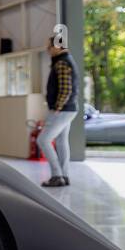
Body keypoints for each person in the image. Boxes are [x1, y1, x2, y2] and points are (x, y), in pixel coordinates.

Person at [37, 33, 78, 187]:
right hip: (69, 109)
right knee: (61, 142)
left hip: (62, 110)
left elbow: (66, 89)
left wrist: (57, 107)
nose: (48, 50)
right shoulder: (65, 61)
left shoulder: (62, 63)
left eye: (49, 47)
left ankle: (57, 175)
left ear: (57, 46)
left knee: (43, 140)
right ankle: (64, 176)